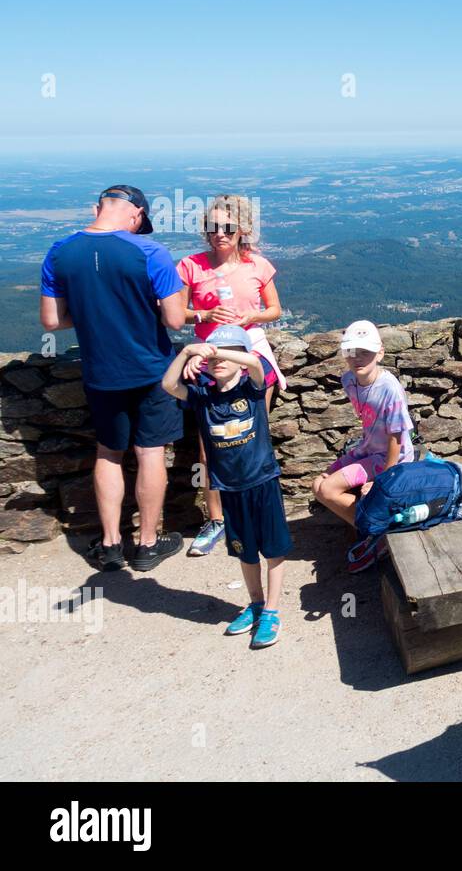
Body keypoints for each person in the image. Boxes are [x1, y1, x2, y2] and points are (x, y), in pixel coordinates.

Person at [39, 185, 187, 572]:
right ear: (136, 215)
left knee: (109, 453)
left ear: (97, 208)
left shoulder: (60, 251)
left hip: (101, 372)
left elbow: (52, 320)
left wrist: (89, 317)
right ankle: (148, 545)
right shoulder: (150, 251)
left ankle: (110, 545)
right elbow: (174, 319)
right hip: (152, 369)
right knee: (150, 452)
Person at [161, 325, 290, 648]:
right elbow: (168, 384)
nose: (217, 357)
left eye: (227, 351)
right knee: (245, 552)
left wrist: (214, 351)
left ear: (239, 355)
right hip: (229, 487)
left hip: (262, 481)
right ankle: (256, 603)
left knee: (273, 550)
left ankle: (272, 610)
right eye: (212, 352)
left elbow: (258, 364)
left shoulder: (252, 388)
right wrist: (190, 352)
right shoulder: (202, 396)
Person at [176, 195, 285, 556]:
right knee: (211, 447)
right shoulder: (190, 266)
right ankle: (218, 519)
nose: (219, 234)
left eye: (227, 228)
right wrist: (204, 316)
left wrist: (250, 318)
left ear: (241, 231)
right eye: (212, 227)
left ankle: (256, 512)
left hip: (250, 353)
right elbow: (175, 314)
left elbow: (274, 310)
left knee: (252, 440)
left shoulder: (258, 265)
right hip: (210, 361)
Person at [311, 320, 415, 573]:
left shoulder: (390, 389)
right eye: (351, 352)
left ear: (380, 353)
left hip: (391, 457)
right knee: (318, 484)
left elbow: (396, 438)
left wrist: (384, 479)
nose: (357, 359)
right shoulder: (349, 380)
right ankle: (375, 530)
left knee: (328, 489)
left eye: (365, 352)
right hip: (367, 450)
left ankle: (376, 536)